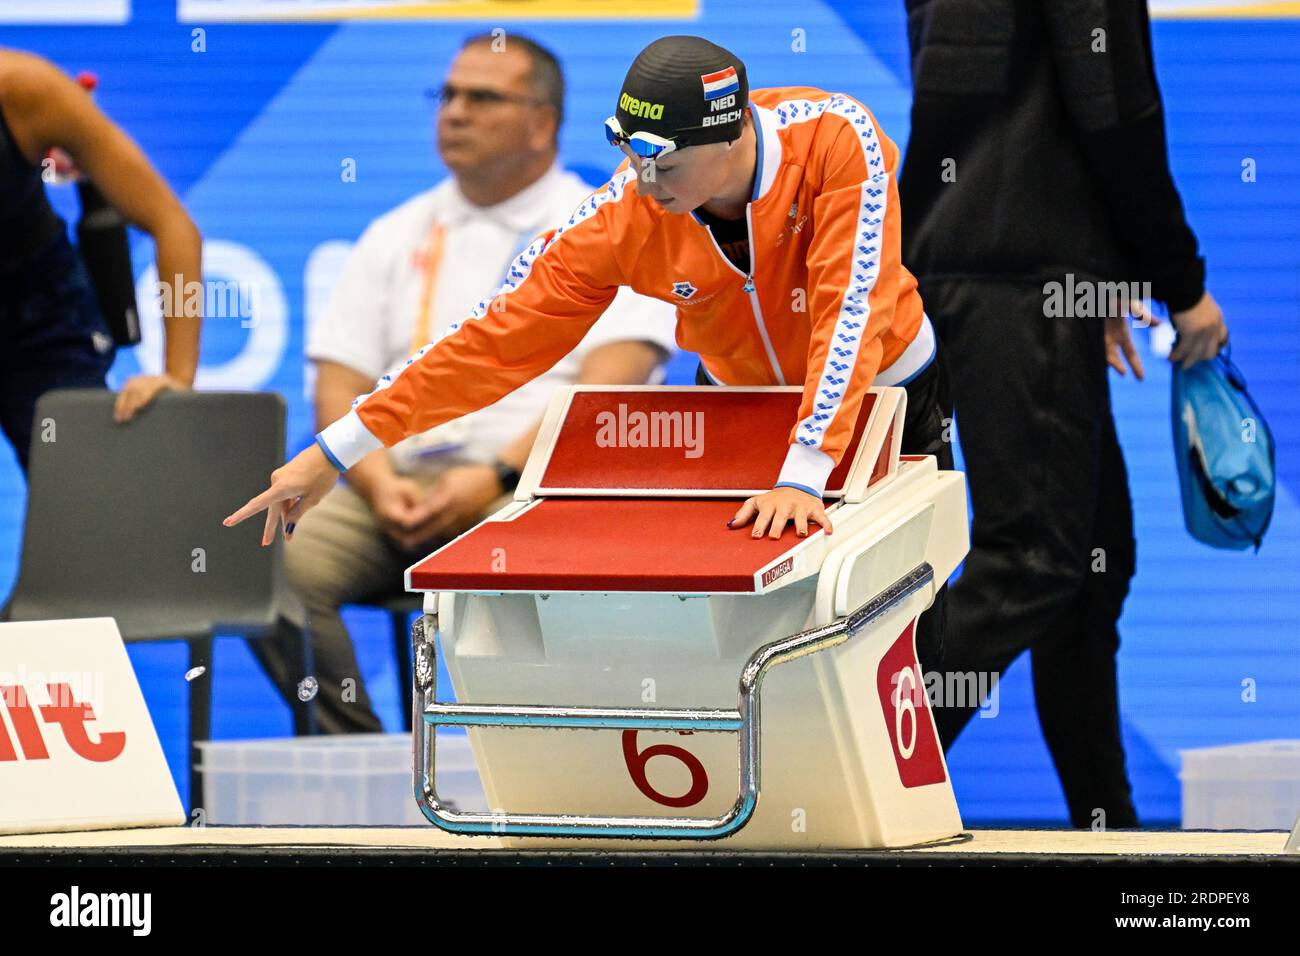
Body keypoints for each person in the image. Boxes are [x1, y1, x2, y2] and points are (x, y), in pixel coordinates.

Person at [226, 35, 954, 662]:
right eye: (632, 159)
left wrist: (803, 473)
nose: (644, 183)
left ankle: (919, 804)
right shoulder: (625, 213)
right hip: (741, 408)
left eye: (664, 165)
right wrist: (333, 452)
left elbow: (846, 309)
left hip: (887, 395)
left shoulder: (835, 138)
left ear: (731, 137)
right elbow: (492, 342)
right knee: (746, 632)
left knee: (901, 614)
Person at [250, 34, 678, 733]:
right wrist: (378, 481)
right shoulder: (397, 230)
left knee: (535, 567)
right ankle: (363, 766)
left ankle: (524, 777)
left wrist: (498, 475)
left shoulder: (608, 221)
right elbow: (337, 382)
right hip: (393, 487)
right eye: (446, 96)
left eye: (482, 98)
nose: (453, 113)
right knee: (265, 563)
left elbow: (614, 387)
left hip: (524, 490)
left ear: (543, 122)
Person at [898, 0, 1229, 828]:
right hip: (1018, 270)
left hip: (989, 261)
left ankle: (1108, 828)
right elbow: (1114, 105)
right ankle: (847, 769)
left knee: (1090, 562)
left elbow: (995, 99)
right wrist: (1178, 283)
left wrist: (1087, 267)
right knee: (1038, 557)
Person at [0, 48, 202, 471]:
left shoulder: (25, 90)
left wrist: (179, 376)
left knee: (92, 500)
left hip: (37, 312)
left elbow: (172, 225)